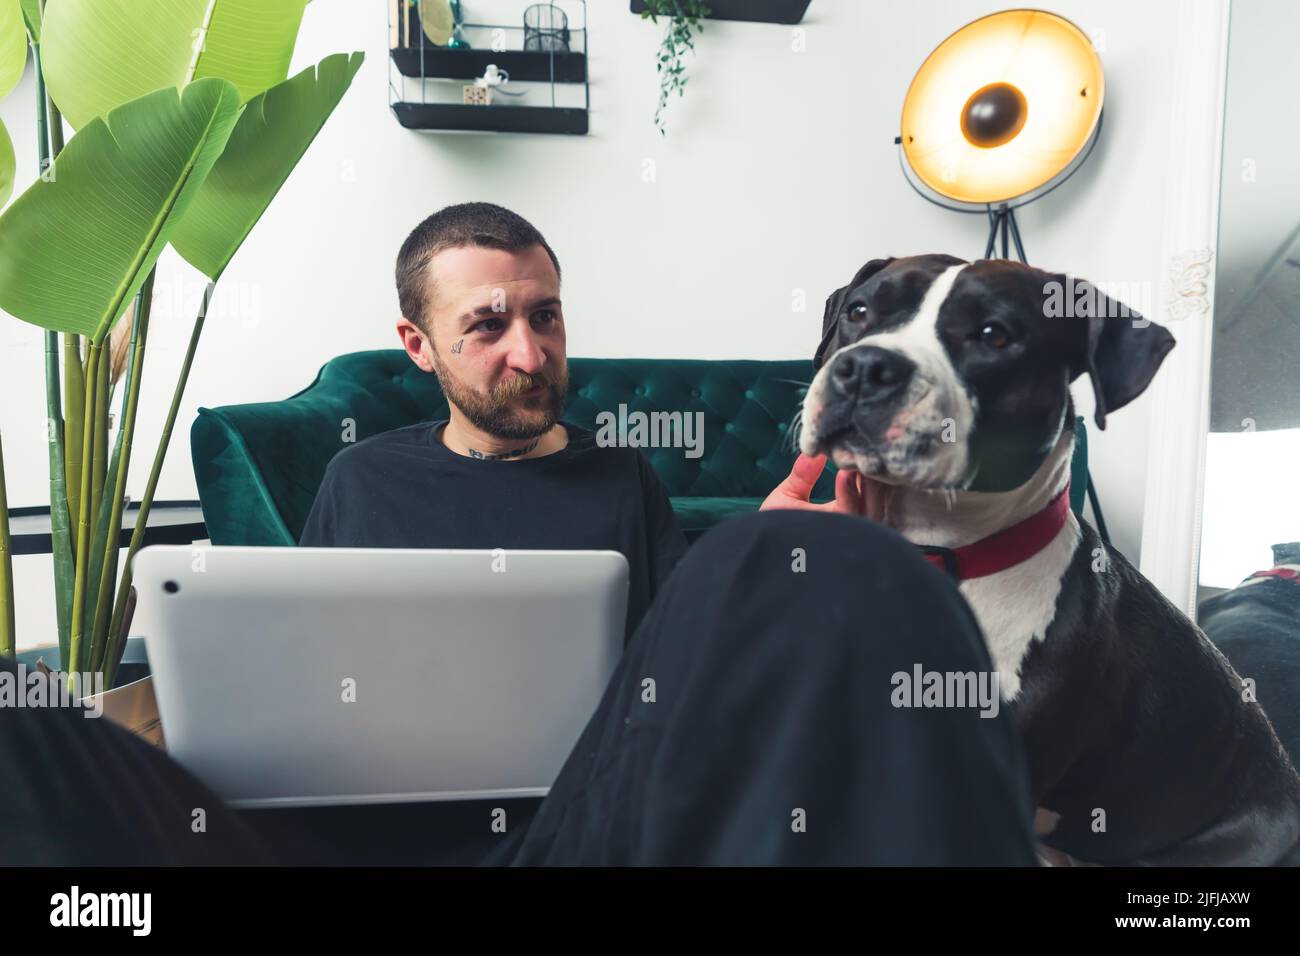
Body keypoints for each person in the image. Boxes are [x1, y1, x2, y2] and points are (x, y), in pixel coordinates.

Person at [0, 204, 1040, 866]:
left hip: (561, 829)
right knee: (26, 729)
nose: (529, 352)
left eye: (546, 316)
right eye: (487, 325)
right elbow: (293, 674)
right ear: (418, 344)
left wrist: (760, 552)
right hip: (339, 838)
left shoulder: (622, 476)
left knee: (832, 561)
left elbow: (671, 693)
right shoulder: (360, 474)